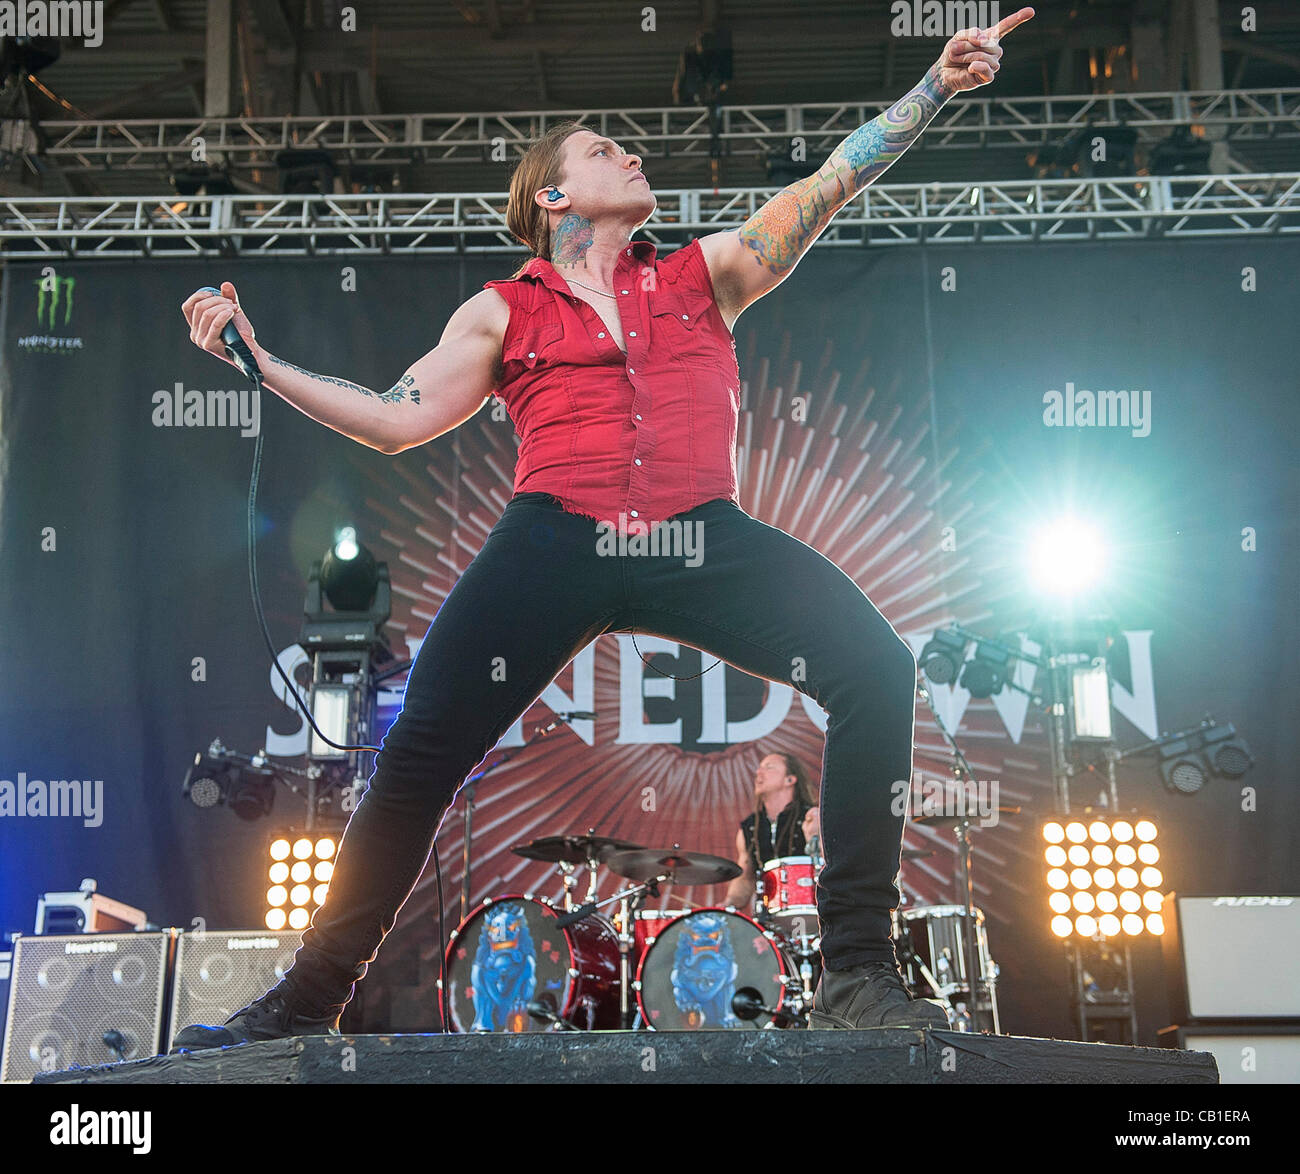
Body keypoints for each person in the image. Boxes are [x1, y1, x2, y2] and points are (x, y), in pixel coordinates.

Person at [171, 11, 1033, 1048]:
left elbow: (832, 182)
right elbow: (398, 418)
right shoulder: (503, 309)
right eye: (602, 148)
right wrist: (260, 365)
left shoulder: (701, 275)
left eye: (627, 145)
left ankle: (855, 967)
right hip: (554, 539)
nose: (630, 153)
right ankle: (305, 1001)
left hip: (697, 535)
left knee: (876, 669)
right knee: (416, 757)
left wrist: (933, 86)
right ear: (553, 195)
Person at [723, 752, 820, 913]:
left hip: (812, 911)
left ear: (789, 780)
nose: (758, 772)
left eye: (769, 767)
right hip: (769, 917)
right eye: (759, 768)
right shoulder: (749, 827)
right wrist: (728, 904)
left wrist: (816, 838)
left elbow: (830, 866)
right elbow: (746, 879)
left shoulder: (811, 817)